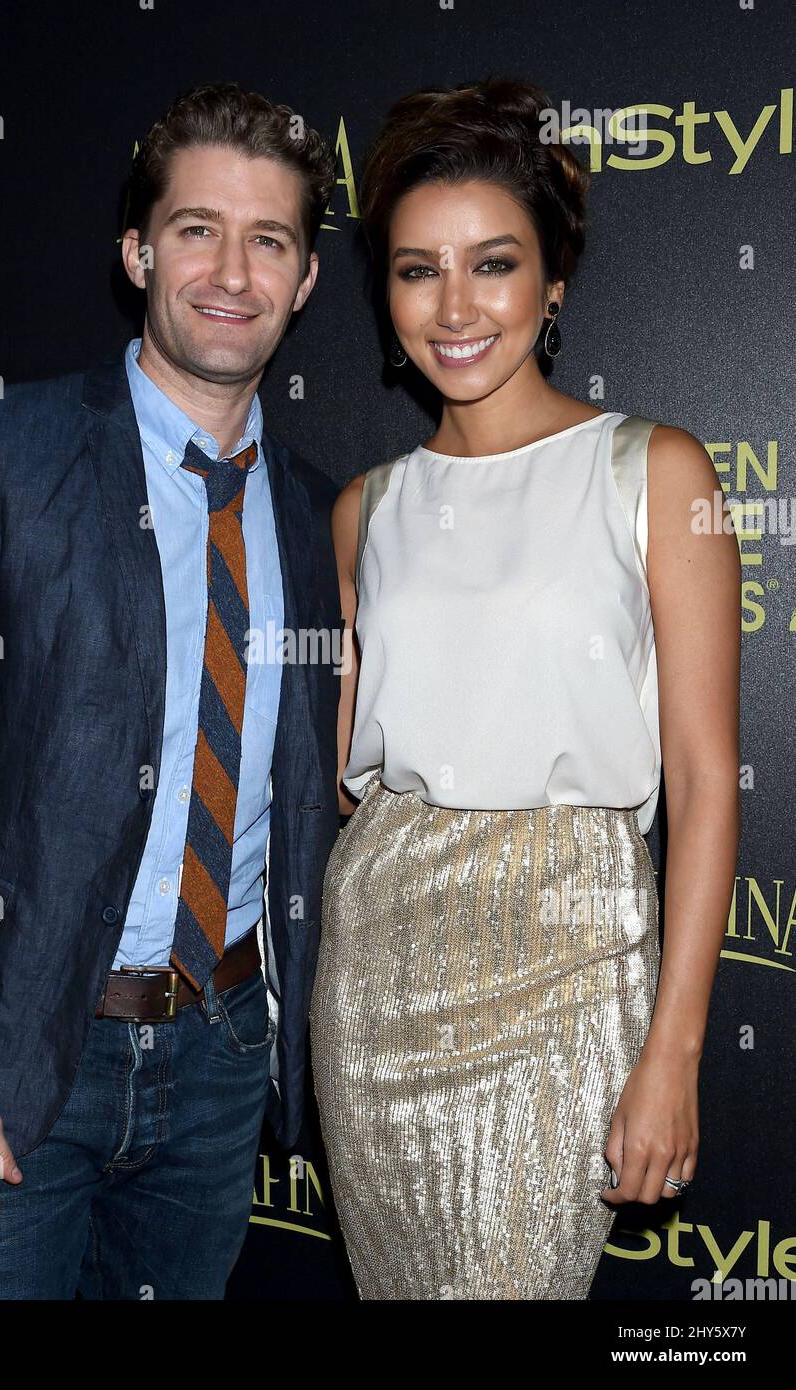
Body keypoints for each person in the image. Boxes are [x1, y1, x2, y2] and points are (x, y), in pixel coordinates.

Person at [0, 82, 342, 1300]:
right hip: (4, 1056)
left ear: (305, 281)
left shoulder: (318, 516)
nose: (231, 270)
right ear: (136, 249)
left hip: (218, 1067)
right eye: (197, 228)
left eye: (270, 240)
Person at [309, 77, 740, 1300]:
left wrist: (674, 1049)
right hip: (379, 973)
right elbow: (355, 775)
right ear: (383, 299)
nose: (454, 307)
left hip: (567, 957)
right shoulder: (367, 509)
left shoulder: (653, 471)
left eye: (492, 264)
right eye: (414, 270)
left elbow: (707, 781)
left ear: (552, 283)